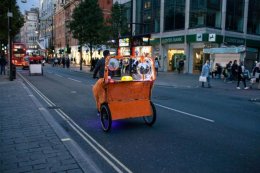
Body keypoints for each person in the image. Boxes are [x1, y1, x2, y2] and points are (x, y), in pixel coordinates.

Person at [92, 50, 110, 115]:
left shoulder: (100, 60)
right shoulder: (110, 61)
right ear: (108, 55)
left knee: (99, 95)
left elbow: (96, 68)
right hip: (109, 80)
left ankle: (99, 110)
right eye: (109, 54)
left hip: (102, 80)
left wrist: (94, 76)